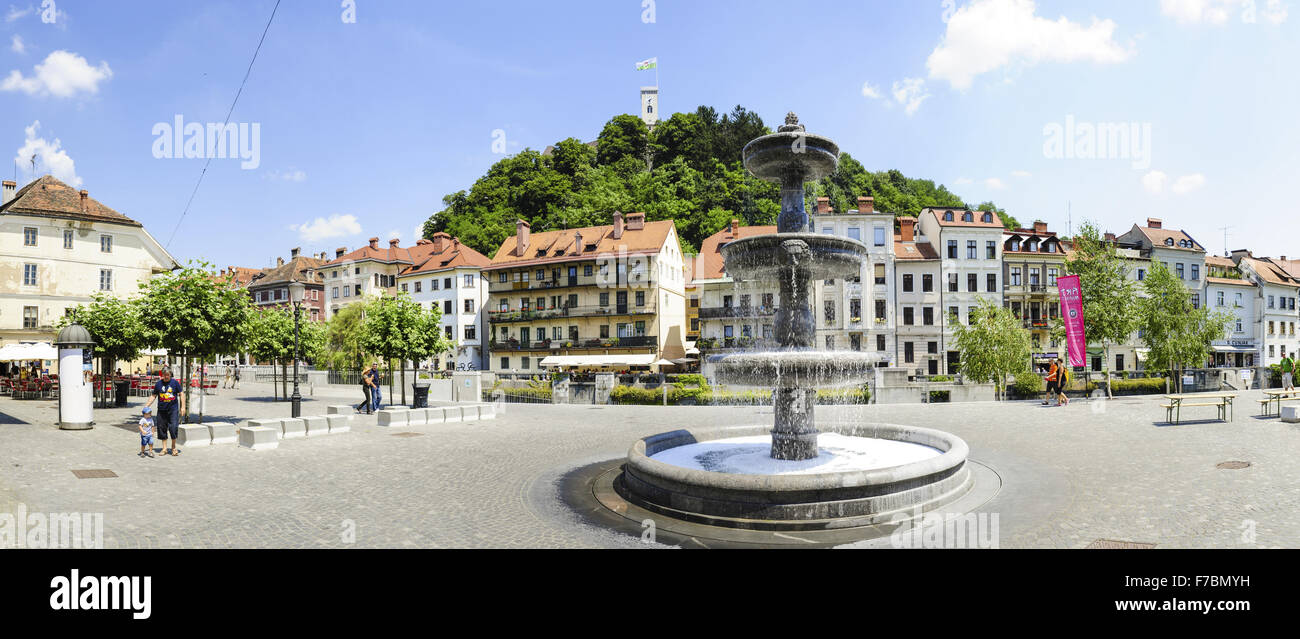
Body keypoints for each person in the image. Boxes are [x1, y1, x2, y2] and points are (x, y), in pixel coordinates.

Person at [145, 368, 186, 456]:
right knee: (162, 428)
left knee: (173, 428)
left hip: (173, 410)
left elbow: (181, 393)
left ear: (170, 375)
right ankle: (164, 449)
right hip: (161, 410)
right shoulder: (159, 384)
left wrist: (183, 407)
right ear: (162, 375)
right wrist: (146, 405)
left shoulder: (174, 383)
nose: (166, 376)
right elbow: (153, 396)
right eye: (165, 375)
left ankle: (173, 447)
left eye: (168, 375)